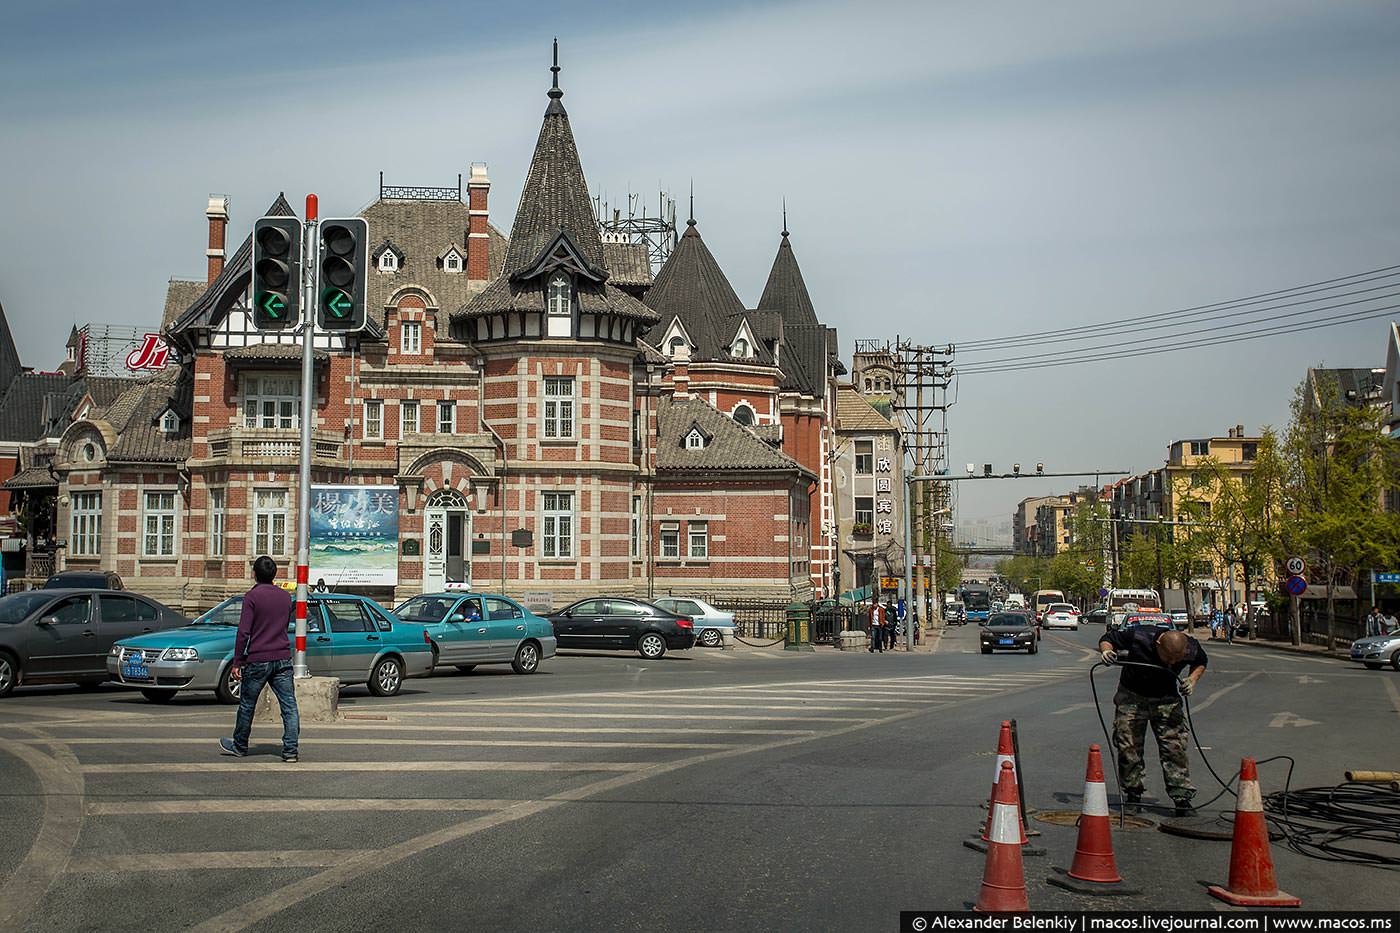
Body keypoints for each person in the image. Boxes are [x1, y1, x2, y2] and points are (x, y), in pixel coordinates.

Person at [1097, 627, 1208, 817]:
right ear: (1158, 645)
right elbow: (1107, 638)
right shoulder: (1138, 636)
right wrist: (1107, 651)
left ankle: (1181, 797)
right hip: (1132, 696)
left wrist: (1192, 679)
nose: (1173, 662)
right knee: (1128, 746)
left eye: (1177, 659)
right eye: (1169, 658)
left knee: (1174, 748)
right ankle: (1133, 794)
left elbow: (1201, 662)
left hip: (1166, 698)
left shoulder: (1190, 646)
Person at [220, 556, 299, 762]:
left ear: (254, 573)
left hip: (258, 658)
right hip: (282, 657)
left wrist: (237, 661)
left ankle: (240, 745)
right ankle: (290, 750)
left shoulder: (251, 597)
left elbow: (243, 632)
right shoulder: (285, 597)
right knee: (289, 706)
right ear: (274, 575)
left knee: (247, 704)